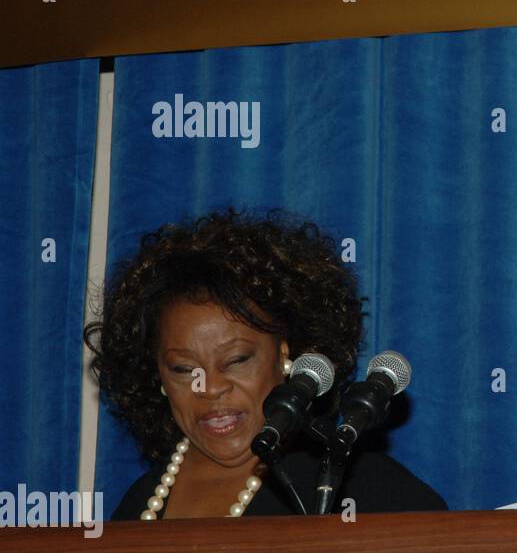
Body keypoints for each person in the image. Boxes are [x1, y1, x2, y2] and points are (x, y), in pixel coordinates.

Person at [85, 209, 447, 521]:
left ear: (285, 356)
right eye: (183, 369)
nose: (209, 387)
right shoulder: (139, 505)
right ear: (159, 377)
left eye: (237, 360)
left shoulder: (357, 486)